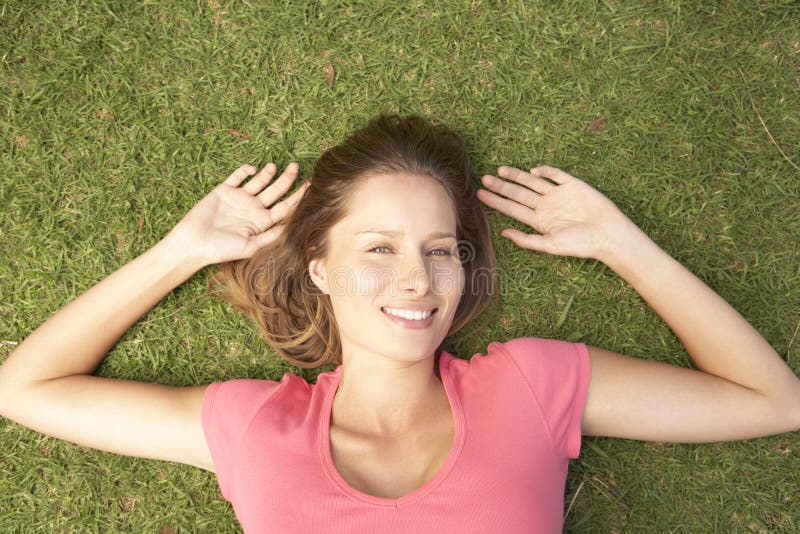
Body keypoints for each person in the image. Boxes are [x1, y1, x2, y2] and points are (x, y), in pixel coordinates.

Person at [0, 113, 798, 533]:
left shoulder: (531, 386)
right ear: (319, 266)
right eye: (378, 248)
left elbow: (772, 401)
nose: (418, 278)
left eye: (441, 249)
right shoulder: (256, 427)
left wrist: (622, 244)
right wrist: (182, 251)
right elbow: (25, 388)